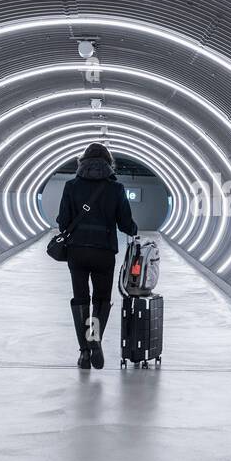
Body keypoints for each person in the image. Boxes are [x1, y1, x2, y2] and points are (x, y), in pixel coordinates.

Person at [57, 142, 138, 369]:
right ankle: (95, 339)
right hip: (104, 252)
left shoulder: (71, 186)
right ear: (109, 163)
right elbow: (125, 224)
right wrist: (134, 229)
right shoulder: (116, 189)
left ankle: (84, 353)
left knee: (80, 298)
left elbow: (63, 222)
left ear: (82, 161)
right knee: (101, 299)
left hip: (77, 252)